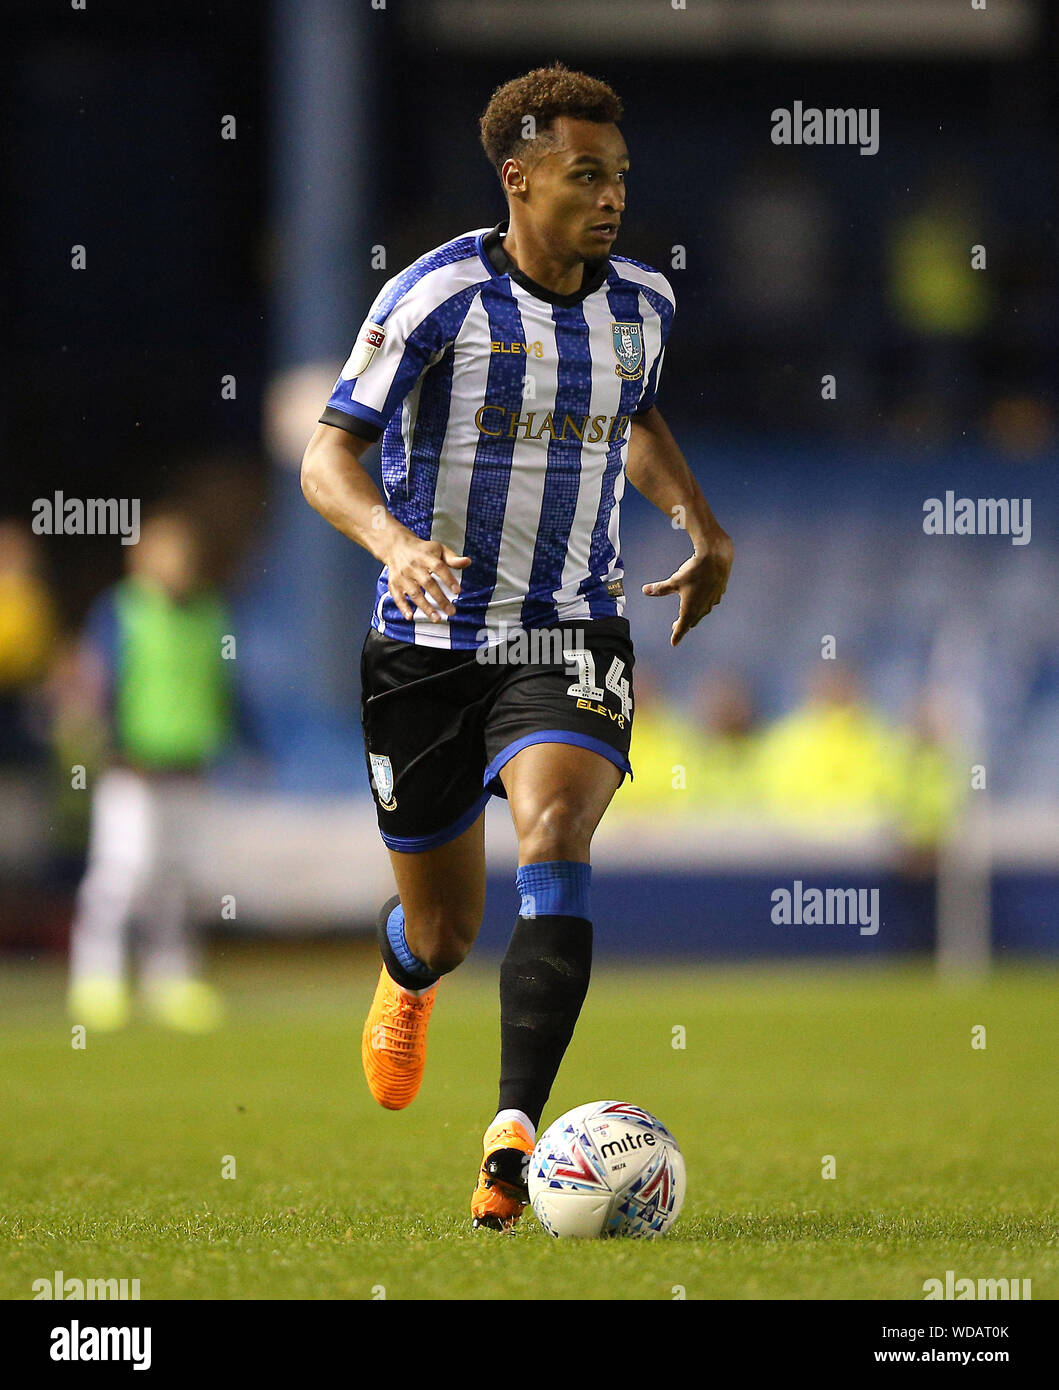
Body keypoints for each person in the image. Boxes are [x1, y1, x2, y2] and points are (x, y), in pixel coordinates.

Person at [301, 64, 733, 1230]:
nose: (611, 198)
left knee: (558, 828)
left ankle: (512, 1144)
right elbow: (325, 460)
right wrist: (393, 542)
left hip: (572, 625)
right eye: (586, 176)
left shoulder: (642, 304)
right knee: (445, 929)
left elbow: (632, 419)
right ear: (520, 177)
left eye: (621, 177)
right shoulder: (433, 296)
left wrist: (697, 519)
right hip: (426, 646)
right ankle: (405, 971)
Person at [66, 510, 232, 1032]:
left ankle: (172, 979)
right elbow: (99, 684)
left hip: (189, 769)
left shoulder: (210, 614)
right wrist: (102, 740)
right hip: (133, 771)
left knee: (178, 883)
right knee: (119, 877)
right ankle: (96, 979)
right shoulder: (122, 611)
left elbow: (224, 686)